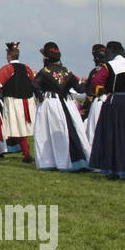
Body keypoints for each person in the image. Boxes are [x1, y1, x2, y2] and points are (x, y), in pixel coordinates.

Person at [88, 41, 125, 179]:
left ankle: (114, 170)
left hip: (116, 103)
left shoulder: (109, 66)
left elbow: (96, 81)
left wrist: (103, 90)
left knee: (114, 136)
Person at [32, 42, 89, 171]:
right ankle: (78, 160)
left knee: (49, 133)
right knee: (72, 130)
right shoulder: (67, 72)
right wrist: (89, 82)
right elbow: (80, 88)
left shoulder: (44, 72)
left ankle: (53, 161)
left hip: (51, 105)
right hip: (68, 105)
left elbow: (35, 85)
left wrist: (41, 98)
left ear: (46, 58)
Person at [0, 41, 36, 161]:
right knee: (22, 127)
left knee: (14, 127)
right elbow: (33, 81)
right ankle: (26, 152)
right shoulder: (27, 67)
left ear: (9, 56)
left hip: (13, 100)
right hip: (28, 101)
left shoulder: (7, 68)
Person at [82, 44, 108, 145]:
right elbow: (88, 91)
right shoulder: (94, 71)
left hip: (102, 103)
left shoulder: (102, 71)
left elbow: (88, 91)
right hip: (97, 103)